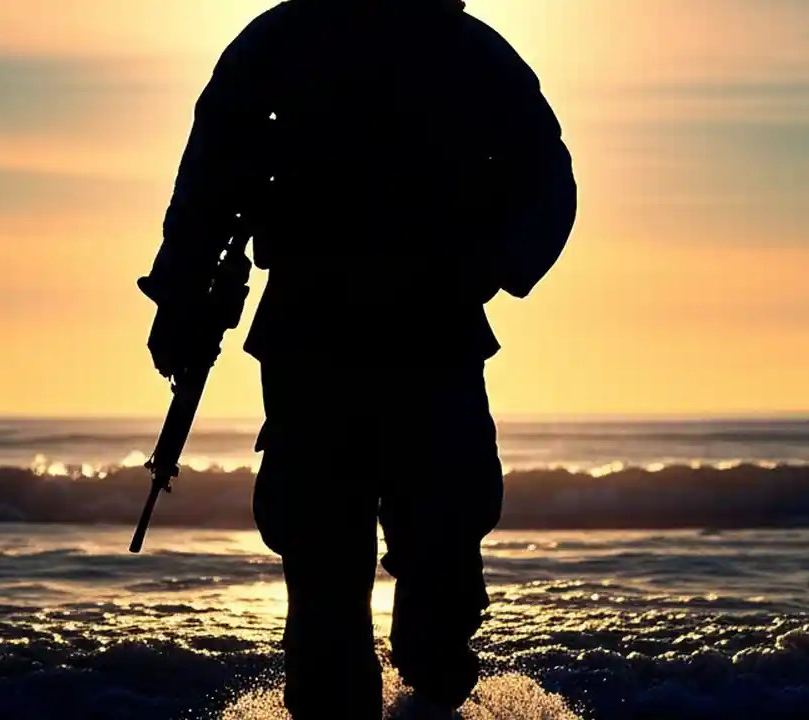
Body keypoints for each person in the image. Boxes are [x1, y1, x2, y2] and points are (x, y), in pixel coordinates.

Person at [141, 1, 575, 717]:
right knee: (325, 594)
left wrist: (497, 263)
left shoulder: (464, 50)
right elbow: (208, 186)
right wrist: (180, 296)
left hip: (430, 335)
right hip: (319, 340)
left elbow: (547, 178)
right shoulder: (281, 43)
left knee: (439, 587)